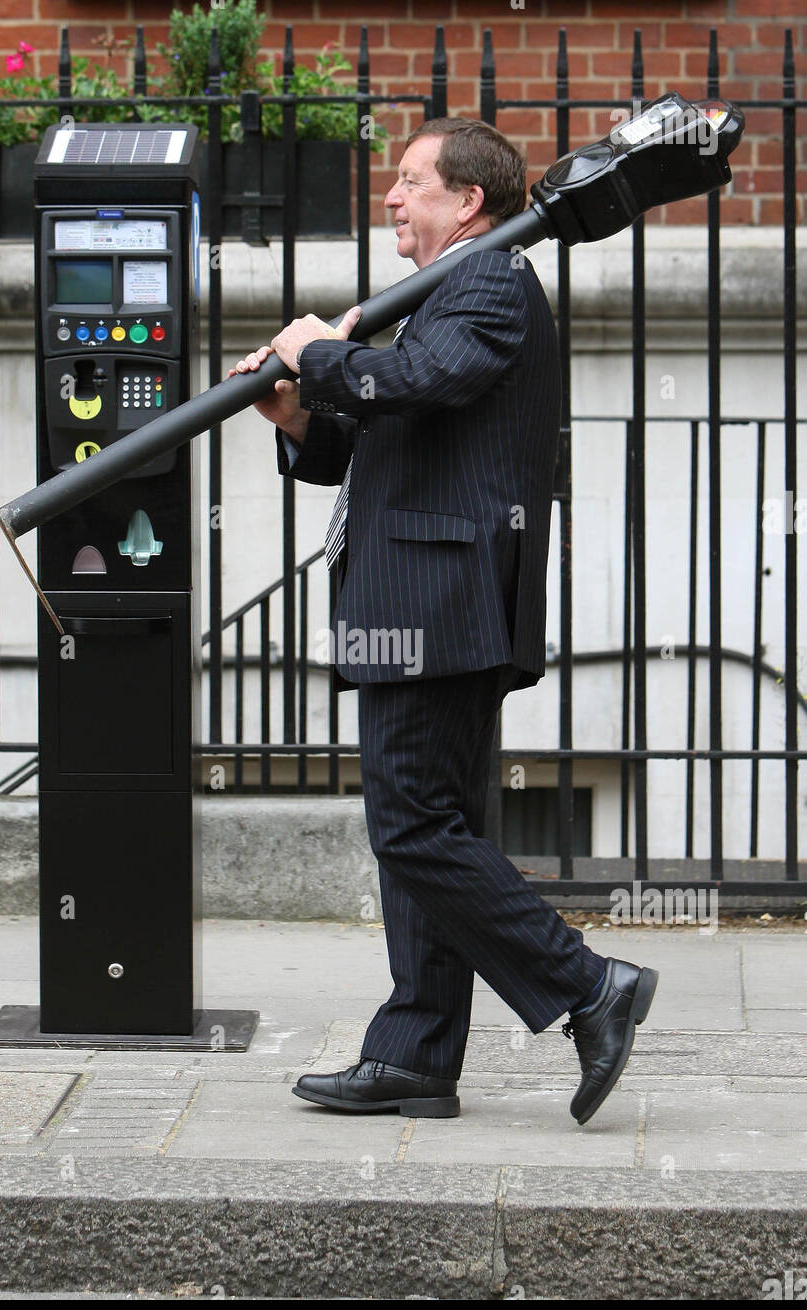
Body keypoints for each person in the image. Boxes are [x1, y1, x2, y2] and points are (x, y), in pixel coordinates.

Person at [228, 117, 658, 1126]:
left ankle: (589, 987)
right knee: (429, 828)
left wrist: (326, 355)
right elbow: (398, 432)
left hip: (436, 604)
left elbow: (422, 381)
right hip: (424, 600)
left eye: (410, 181)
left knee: (412, 822)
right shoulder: (444, 292)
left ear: (468, 199)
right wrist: (302, 418)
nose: (390, 198)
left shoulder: (489, 280)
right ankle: (415, 1055)